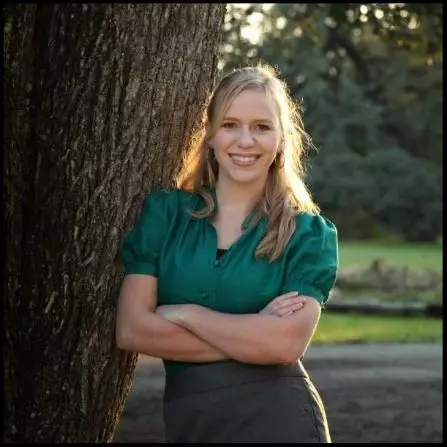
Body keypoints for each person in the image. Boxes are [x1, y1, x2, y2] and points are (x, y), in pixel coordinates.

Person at [115, 64, 339, 443]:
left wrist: (185, 314)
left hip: (280, 421)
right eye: (230, 124)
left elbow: (284, 344)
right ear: (210, 135)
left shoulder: (307, 235)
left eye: (262, 127)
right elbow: (133, 330)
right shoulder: (166, 215)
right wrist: (253, 336)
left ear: (282, 139)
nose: (245, 141)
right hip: (192, 421)